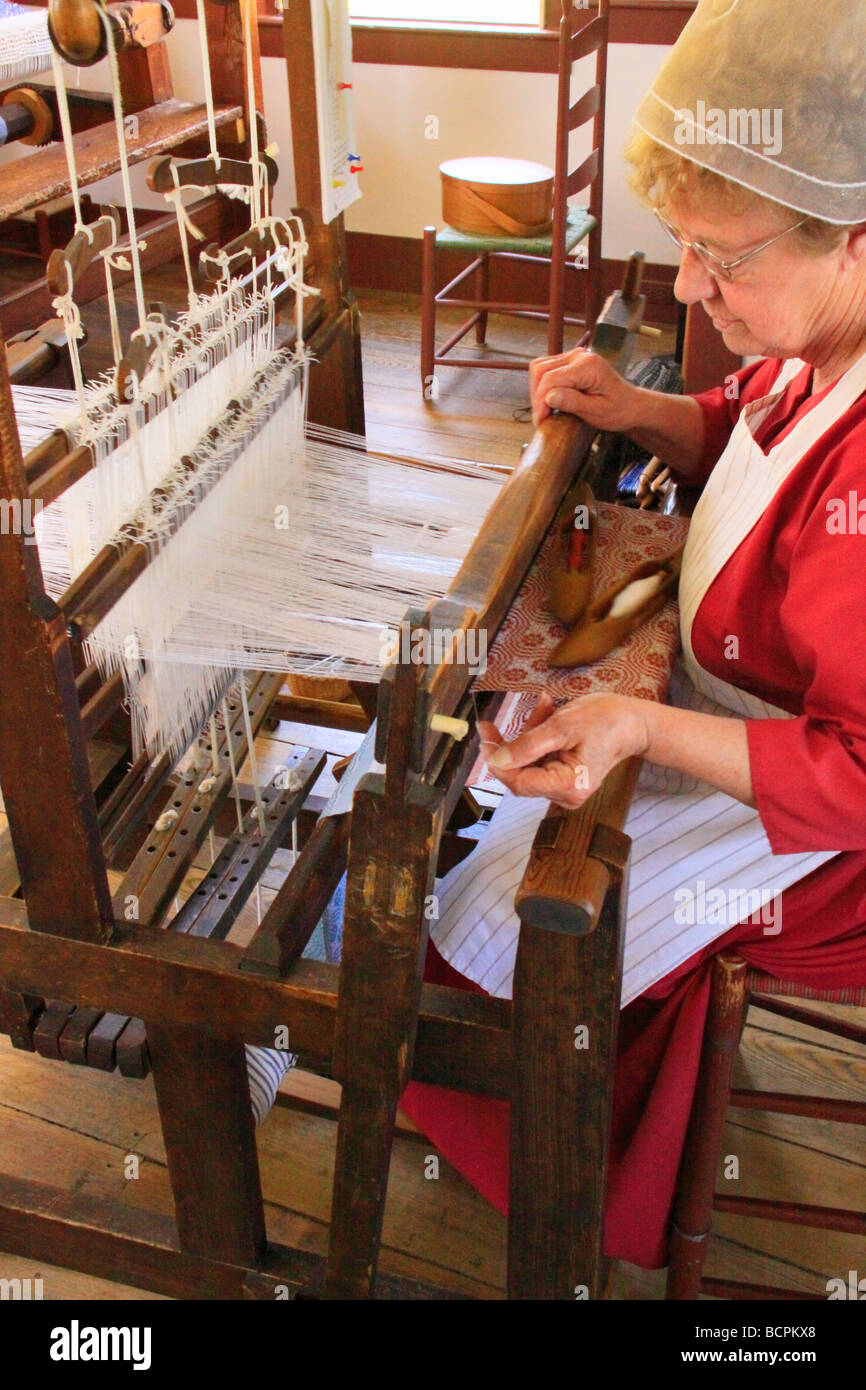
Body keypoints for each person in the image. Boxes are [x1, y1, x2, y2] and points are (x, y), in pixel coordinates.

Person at [399, 0, 866, 1272]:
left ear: (854, 238)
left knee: (512, 907)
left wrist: (636, 721)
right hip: (770, 742)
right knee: (515, 842)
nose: (684, 285)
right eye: (680, 243)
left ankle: (555, 1157)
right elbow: (755, 436)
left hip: (829, 850)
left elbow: (859, 777)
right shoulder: (825, 340)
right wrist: (637, 407)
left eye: (721, 255)